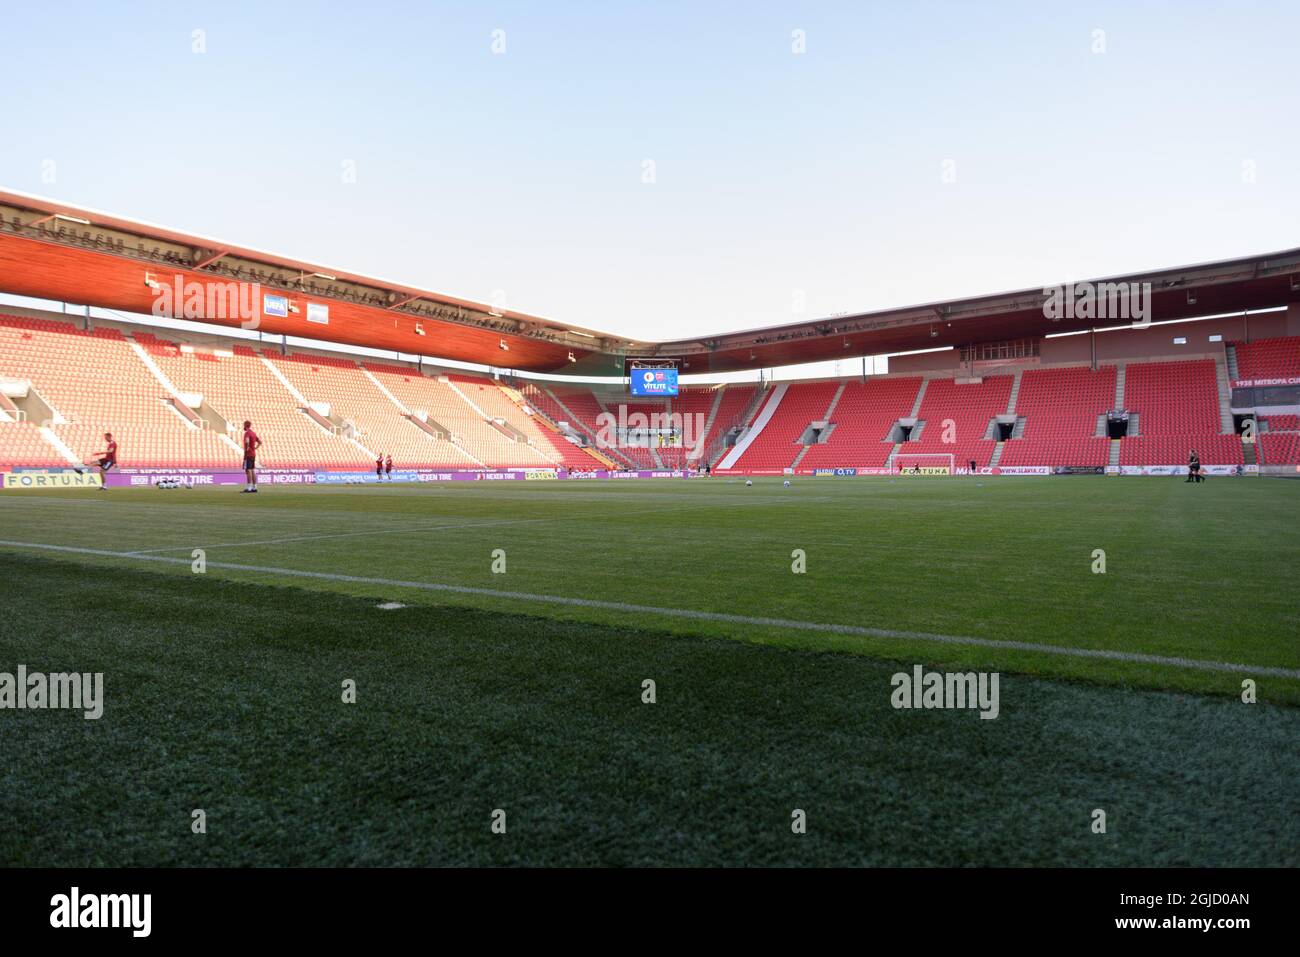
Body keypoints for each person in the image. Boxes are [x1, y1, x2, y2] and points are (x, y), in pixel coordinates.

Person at [241, 420, 262, 493]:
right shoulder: (253, 433)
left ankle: (249, 487)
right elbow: (260, 442)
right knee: (252, 470)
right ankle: (254, 487)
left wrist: (246, 449)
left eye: (243, 425)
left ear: (245, 425)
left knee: (248, 470)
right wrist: (255, 448)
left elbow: (247, 441)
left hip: (248, 454)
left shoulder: (247, 433)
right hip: (253, 454)